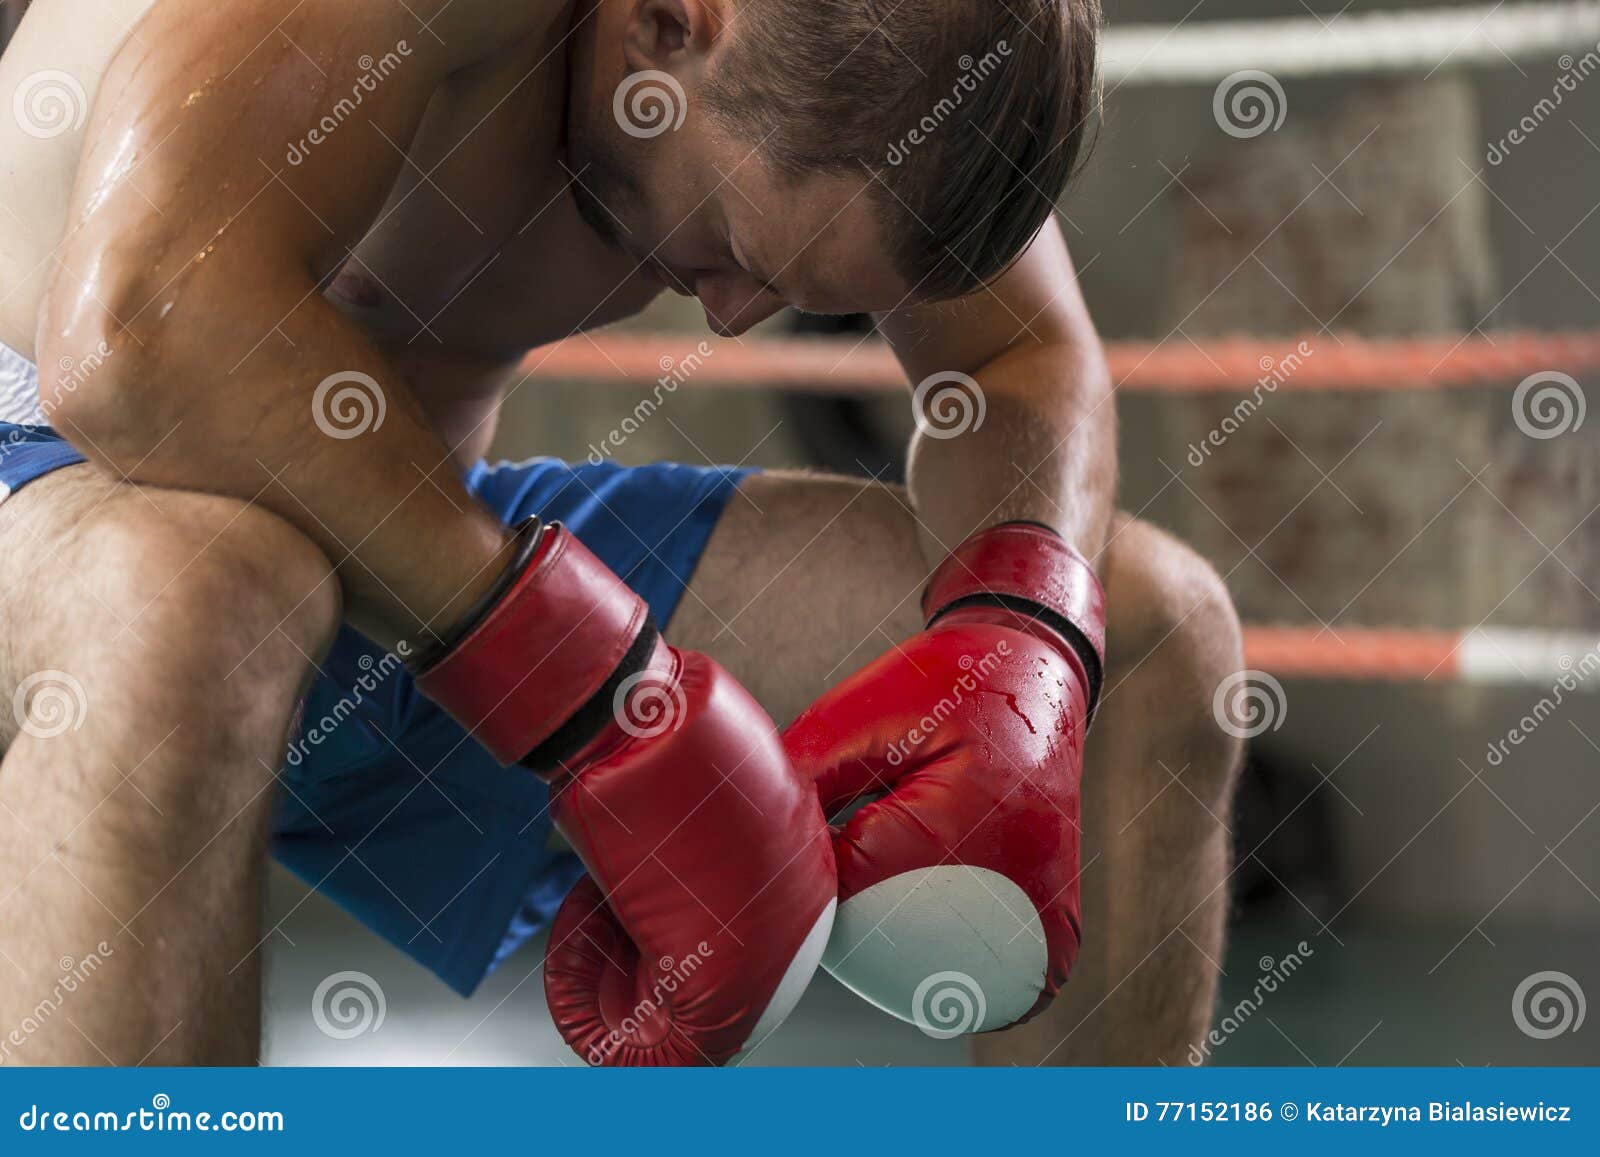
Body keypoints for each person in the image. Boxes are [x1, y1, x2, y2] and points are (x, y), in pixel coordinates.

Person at [0, 0, 1243, 1065]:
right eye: (736, 253)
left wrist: (1008, 656)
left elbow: (1021, 354)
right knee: (196, 593)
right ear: (665, 20)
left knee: (1140, 632)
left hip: (410, 558)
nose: (737, 319)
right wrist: (590, 689)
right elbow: (138, 335)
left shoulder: (885, 61)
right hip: (60, 467)